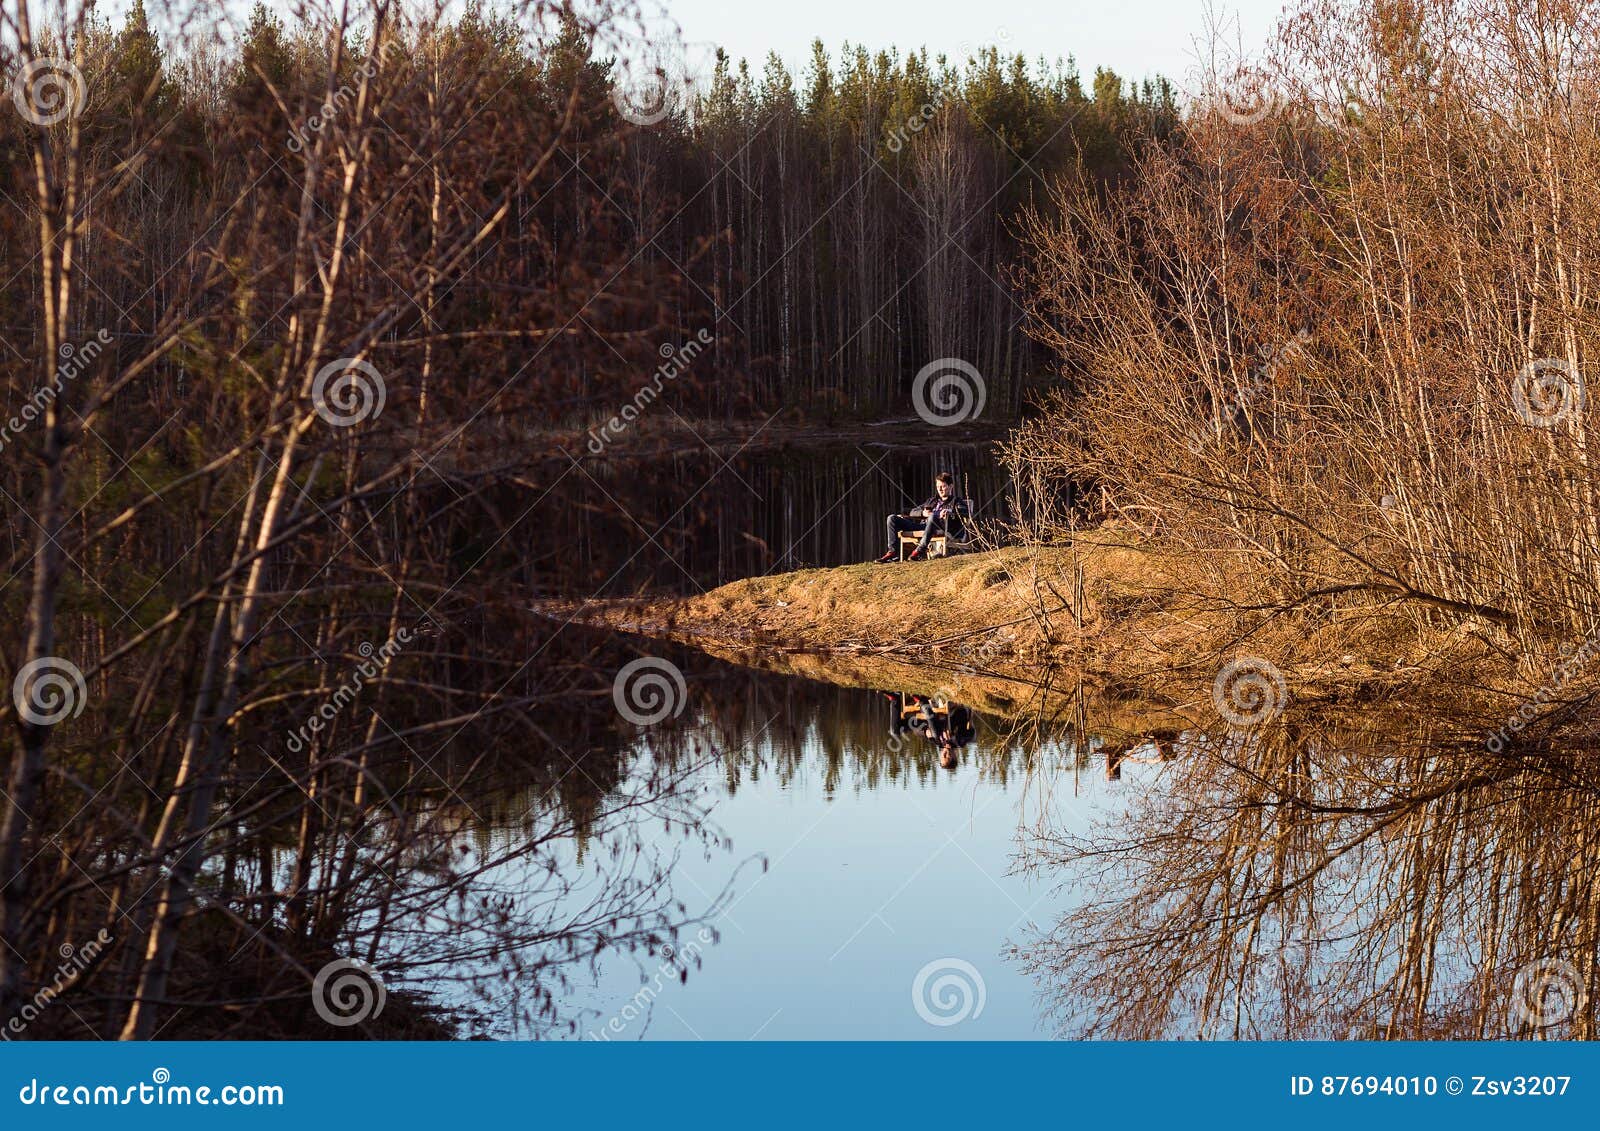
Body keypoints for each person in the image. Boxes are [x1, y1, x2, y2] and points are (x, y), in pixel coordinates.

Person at [875, 471, 971, 563]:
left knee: (932, 516)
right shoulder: (932, 501)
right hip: (924, 527)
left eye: (943, 486)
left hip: (944, 528)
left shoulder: (956, 501)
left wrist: (950, 511)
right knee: (892, 518)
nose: (940, 489)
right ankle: (893, 552)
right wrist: (923, 513)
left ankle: (920, 551)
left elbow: (966, 512)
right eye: (938, 487)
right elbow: (913, 511)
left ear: (951, 486)